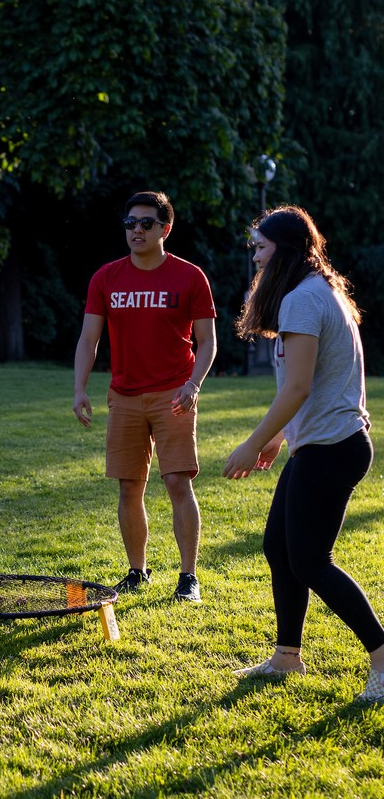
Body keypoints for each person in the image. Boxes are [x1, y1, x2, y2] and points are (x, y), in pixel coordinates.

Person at [223, 205, 384, 702]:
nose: (254, 256)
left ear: (285, 251)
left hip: (331, 448)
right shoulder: (319, 291)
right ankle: (287, 657)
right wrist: (277, 439)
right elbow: (313, 385)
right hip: (324, 444)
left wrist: (253, 442)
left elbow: (296, 388)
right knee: (280, 548)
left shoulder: (302, 299)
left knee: (311, 560)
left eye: (261, 247)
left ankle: (382, 657)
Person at [73, 191, 217, 603]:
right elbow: (89, 337)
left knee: (176, 482)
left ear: (164, 229)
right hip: (124, 395)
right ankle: (138, 571)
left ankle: (188, 577)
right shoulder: (106, 278)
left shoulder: (190, 276)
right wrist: (80, 387)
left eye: (146, 223)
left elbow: (207, 342)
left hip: (174, 392)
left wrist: (194, 383)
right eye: (130, 223)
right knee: (128, 486)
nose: (136, 230)